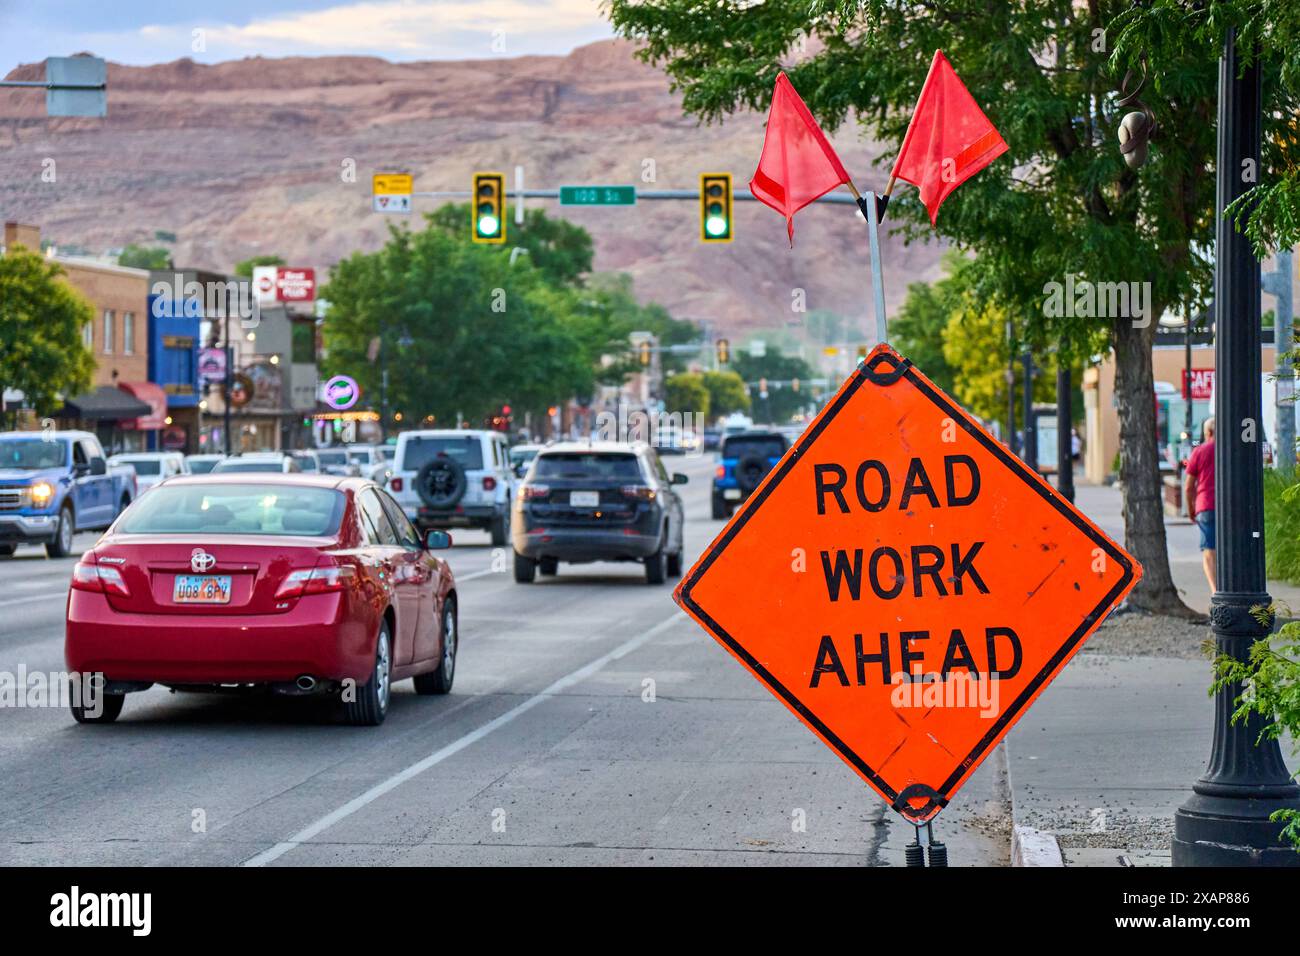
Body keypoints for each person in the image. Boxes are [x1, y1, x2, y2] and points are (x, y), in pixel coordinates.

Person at [1184, 417, 1216, 595]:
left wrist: (1191, 510)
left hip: (1205, 505)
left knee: (1209, 551)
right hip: (1228, 506)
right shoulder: (1229, 450)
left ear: (1208, 433)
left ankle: (1215, 591)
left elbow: (1188, 486)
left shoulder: (1199, 451)